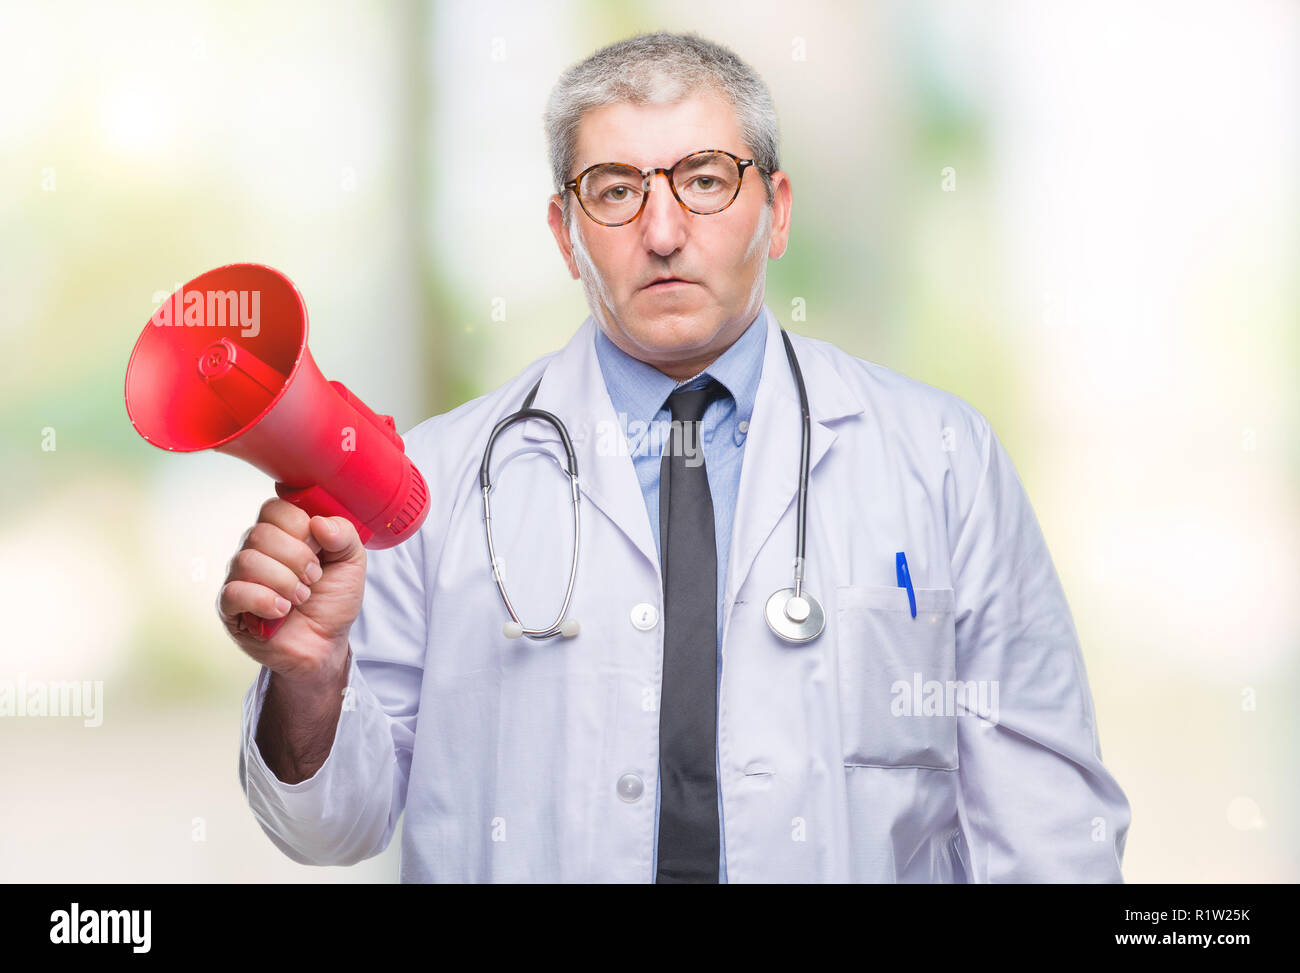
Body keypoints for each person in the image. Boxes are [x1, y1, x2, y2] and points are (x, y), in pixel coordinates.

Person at [221, 31, 1130, 882]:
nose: (662, 232)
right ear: (563, 231)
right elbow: (330, 825)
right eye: (616, 190)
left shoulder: (939, 458)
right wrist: (313, 675)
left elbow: (1049, 830)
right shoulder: (437, 480)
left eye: (704, 180)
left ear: (774, 212)